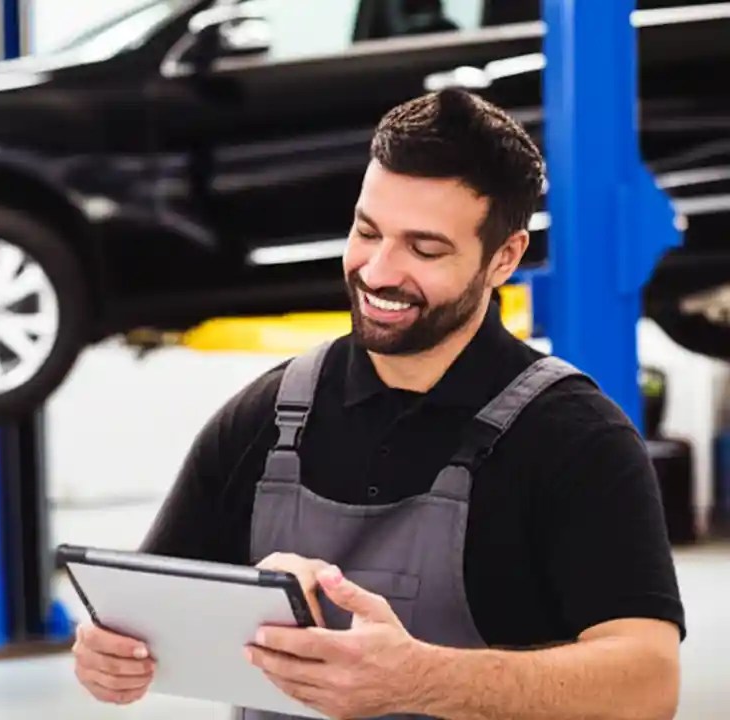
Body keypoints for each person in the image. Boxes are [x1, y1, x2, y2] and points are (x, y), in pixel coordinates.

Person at [72, 88, 685, 720]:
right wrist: (108, 651)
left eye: (425, 250)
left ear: (504, 258)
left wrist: (424, 679)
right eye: (367, 232)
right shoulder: (262, 418)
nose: (379, 271)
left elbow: (647, 685)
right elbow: (141, 615)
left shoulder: (577, 439)